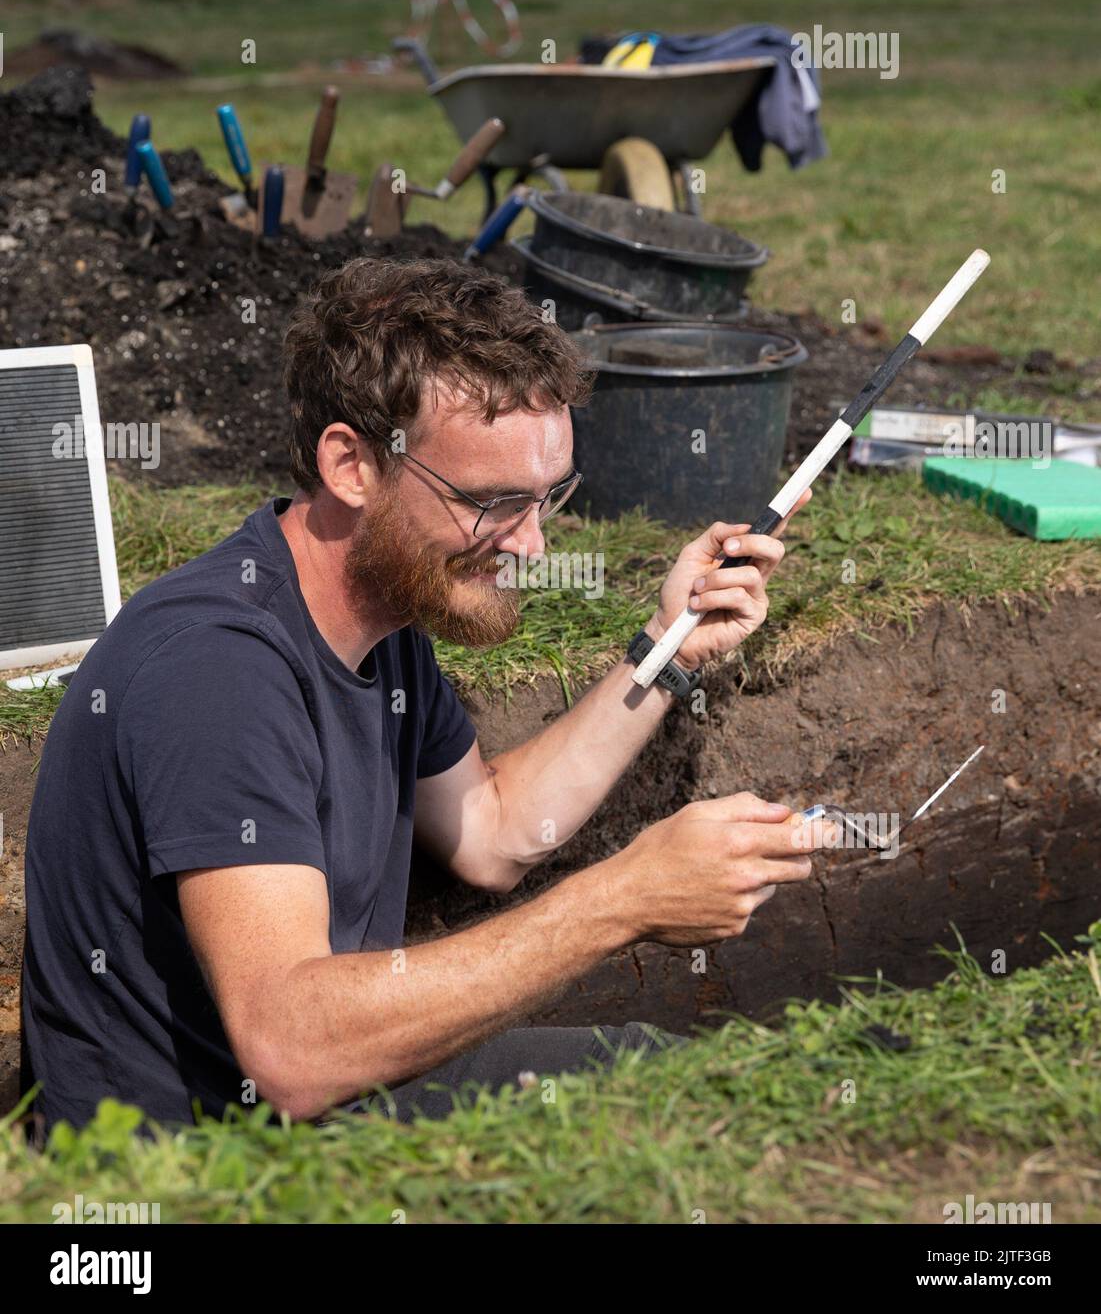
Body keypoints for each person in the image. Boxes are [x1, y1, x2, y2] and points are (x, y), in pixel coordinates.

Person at [20, 257, 820, 1136]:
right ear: (352, 465)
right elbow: (292, 1048)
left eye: (548, 497)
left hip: (325, 1102)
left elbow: (494, 830)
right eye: (492, 504)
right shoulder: (217, 669)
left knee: (685, 1079)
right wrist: (622, 899)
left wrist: (667, 650)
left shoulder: (383, 612)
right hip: (201, 1165)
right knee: (671, 1108)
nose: (534, 548)